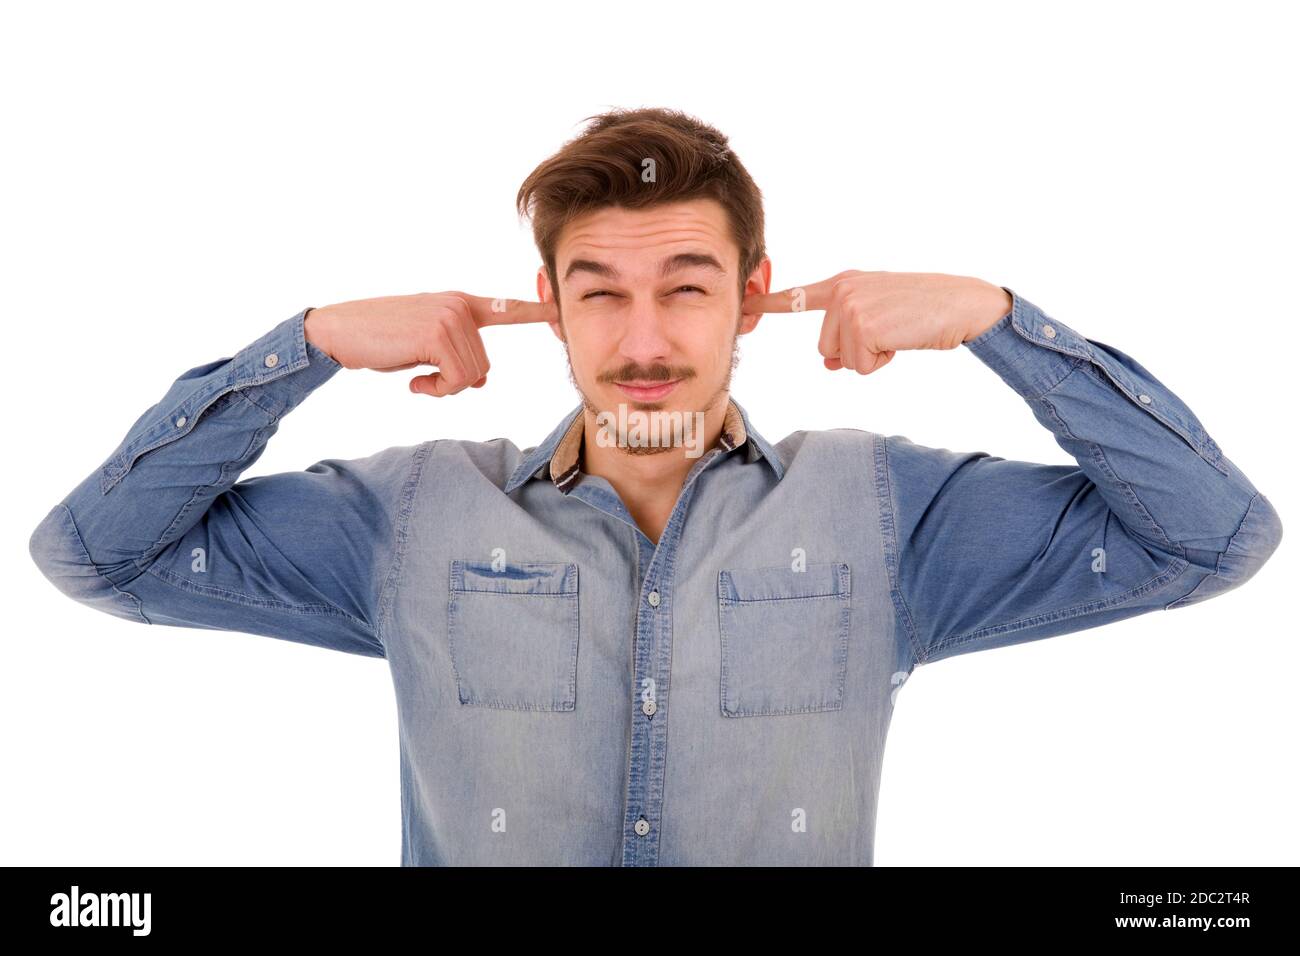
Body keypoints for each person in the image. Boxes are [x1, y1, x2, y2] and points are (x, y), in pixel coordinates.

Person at [29, 107, 1283, 866]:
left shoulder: (885, 512)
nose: (641, 341)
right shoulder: (410, 516)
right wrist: (300, 346)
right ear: (550, 308)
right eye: (601, 291)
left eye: (686, 285)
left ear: (753, 297)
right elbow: (96, 553)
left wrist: (1000, 319)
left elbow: (1213, 536)